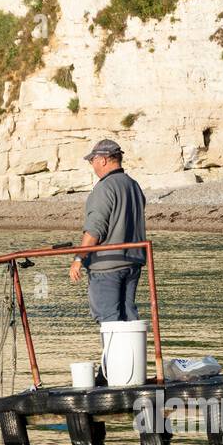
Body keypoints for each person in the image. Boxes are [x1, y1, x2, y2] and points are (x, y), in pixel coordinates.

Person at [68, 138, 147, 322]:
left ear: (103, 160)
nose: (92, 165)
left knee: (108, 318)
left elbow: (95, 230)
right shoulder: (133, 185)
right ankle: (131, 352)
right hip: (133, 263)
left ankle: (114, 352)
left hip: (107, 265)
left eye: (92, 160)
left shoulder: (104, 188)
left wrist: (79, 258)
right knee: (128, 316)